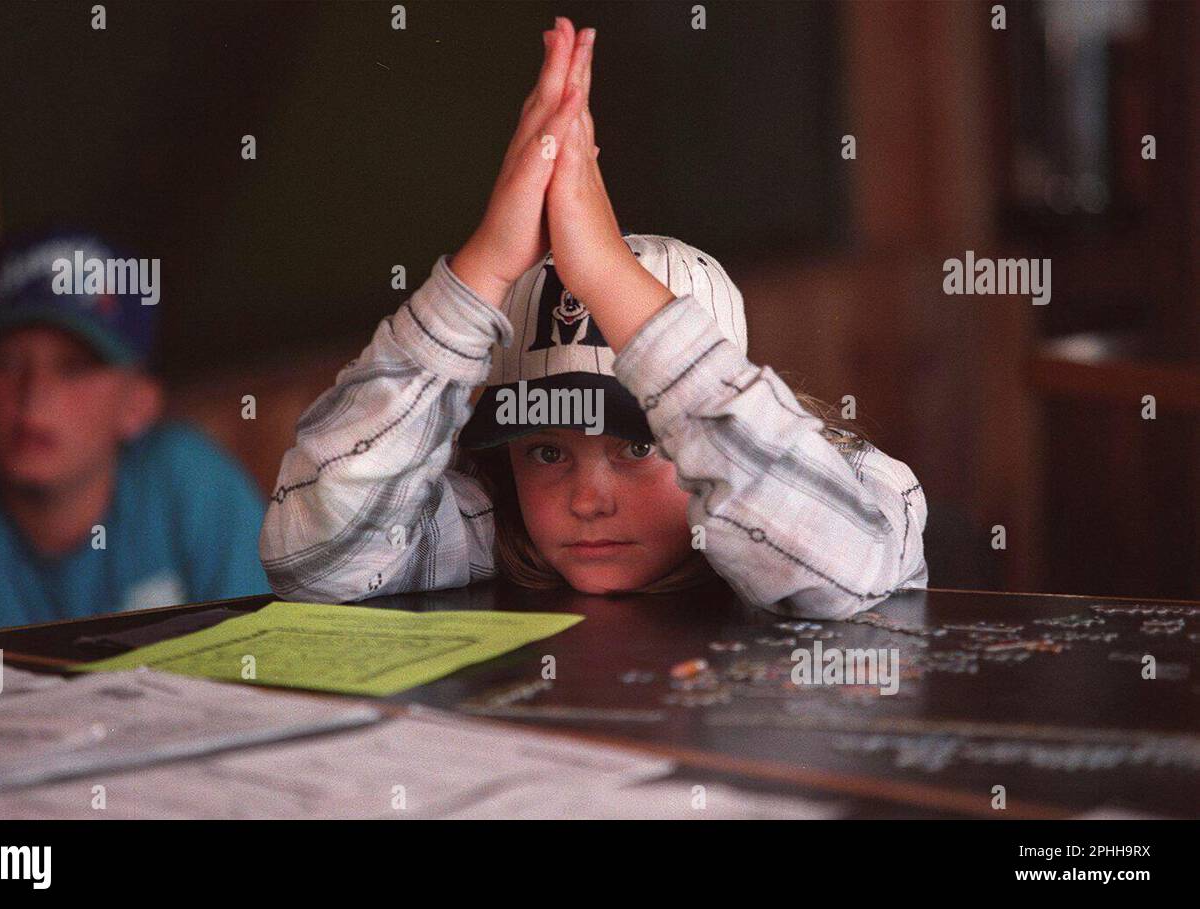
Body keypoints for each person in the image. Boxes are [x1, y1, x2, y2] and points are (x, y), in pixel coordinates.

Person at [259, 18, 927, 619]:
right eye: (547, 451)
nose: (587, 500)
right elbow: (319, 560)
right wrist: (480, 273)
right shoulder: (502, 523)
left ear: (706, 424)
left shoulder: (862, 488)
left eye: (636, 445)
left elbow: (845, 569)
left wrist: (607, 273)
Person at [0, 229, 270, 638]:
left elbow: (265, 669)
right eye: (5, 362)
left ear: (138, 402)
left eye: (74, 366)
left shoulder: (194, 489)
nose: (33, 396)